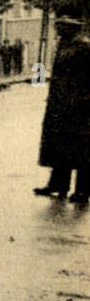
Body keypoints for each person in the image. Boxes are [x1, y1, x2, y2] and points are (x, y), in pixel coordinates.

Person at [34, 18, 90, 203]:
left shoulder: (83, 47)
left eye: (61, 26)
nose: (57, 29)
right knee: (59, 146)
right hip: (60, 104)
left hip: (80, 107)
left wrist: (83, 100)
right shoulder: (62, 46)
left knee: (81, 149)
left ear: (72, 28)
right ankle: (58, 184)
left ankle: (83, 190)